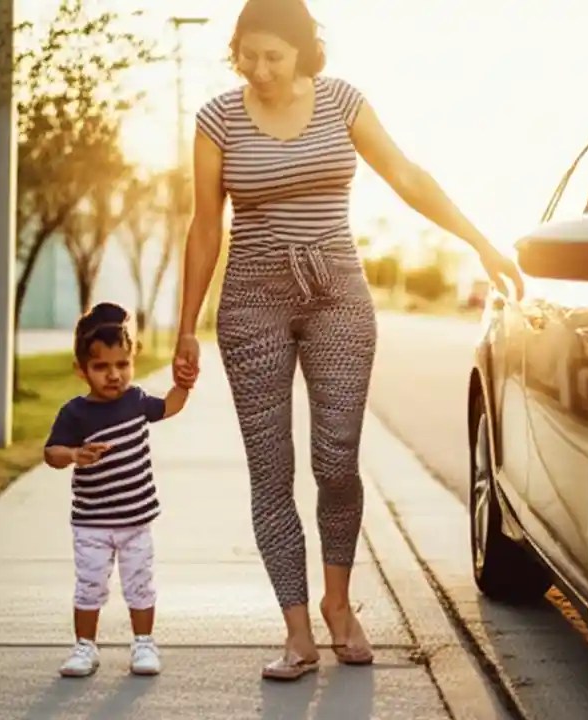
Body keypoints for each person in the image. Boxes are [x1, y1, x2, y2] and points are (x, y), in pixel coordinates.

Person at [171, 0, 525, 681]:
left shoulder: (341, 101)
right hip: (251, 303)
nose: (259, 68)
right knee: (270, 472)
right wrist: (187, 325)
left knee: (336, 461)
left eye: (273, 56)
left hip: (338, 296)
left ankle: (338, 605)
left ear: (305, 51)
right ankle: (297, 631)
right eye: (248, 54)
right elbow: (205, 227)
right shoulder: (216, 118)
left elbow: (407, 176)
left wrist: (480, 241)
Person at [45, 302, 190, 678]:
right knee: (89, 586)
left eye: (122, 364)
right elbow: (52, 453)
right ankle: (84, 648)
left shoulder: (137, 401)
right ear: (82, 370)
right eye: (102, 367)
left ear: (133, 360)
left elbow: (171, 406)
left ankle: (143, 643)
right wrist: (75, 454)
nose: (114, 375)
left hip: (136, 521)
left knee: (140, 585)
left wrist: (184, 383)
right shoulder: (75, 413)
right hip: (92, 523)